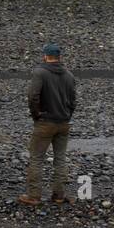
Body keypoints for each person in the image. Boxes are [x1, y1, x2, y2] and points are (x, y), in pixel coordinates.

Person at [19, 43, 76, 206]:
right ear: (59, 57)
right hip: (64, 122)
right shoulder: (69, 75)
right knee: (60, 159)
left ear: (45, 56)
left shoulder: (40, 72)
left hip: (45, 122)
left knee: (37, 158)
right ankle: (58, 195)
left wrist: (36, 115)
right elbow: (73, 100)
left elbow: (33, 96)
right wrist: (67, 115)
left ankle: (34, 196)